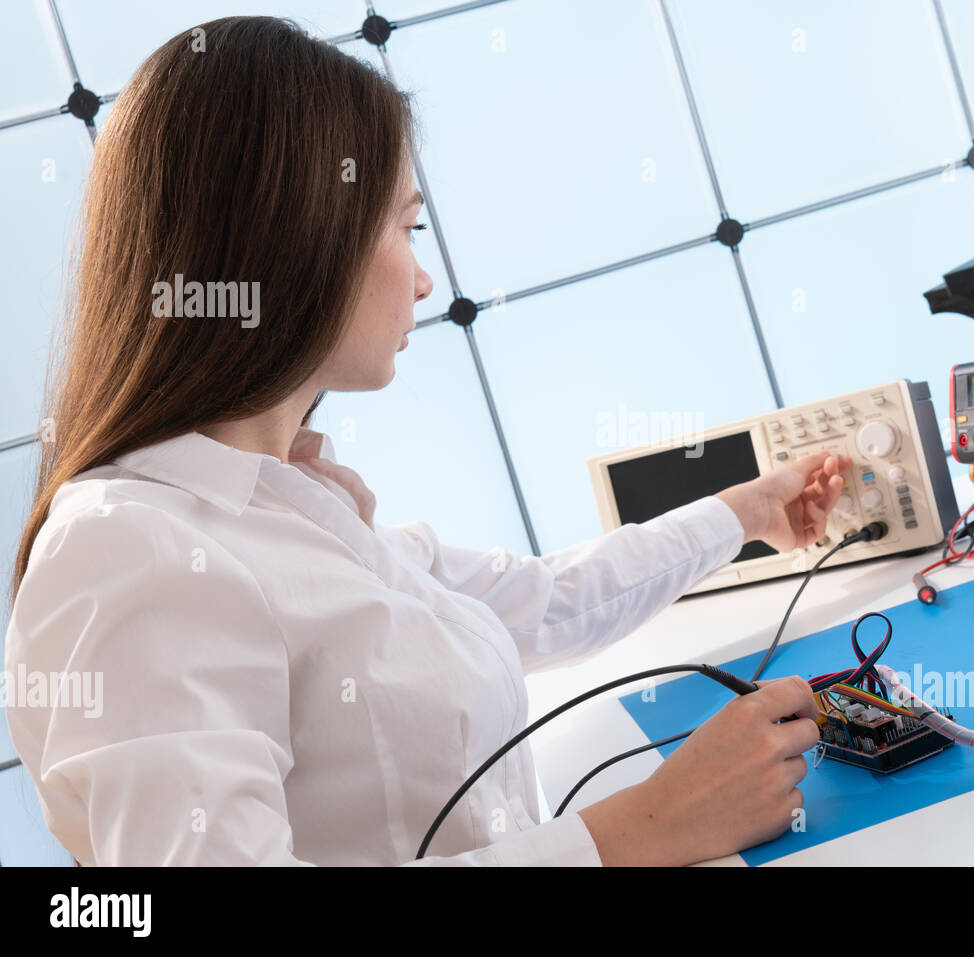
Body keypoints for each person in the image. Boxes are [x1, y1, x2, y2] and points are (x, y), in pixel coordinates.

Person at [3, 15, 851, 866]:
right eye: (405, 229)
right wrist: (639, 830)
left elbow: (546, 601)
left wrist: (747, 512)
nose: (423, 277)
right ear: (297, 232)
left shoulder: (305, 511)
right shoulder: (127, 547)